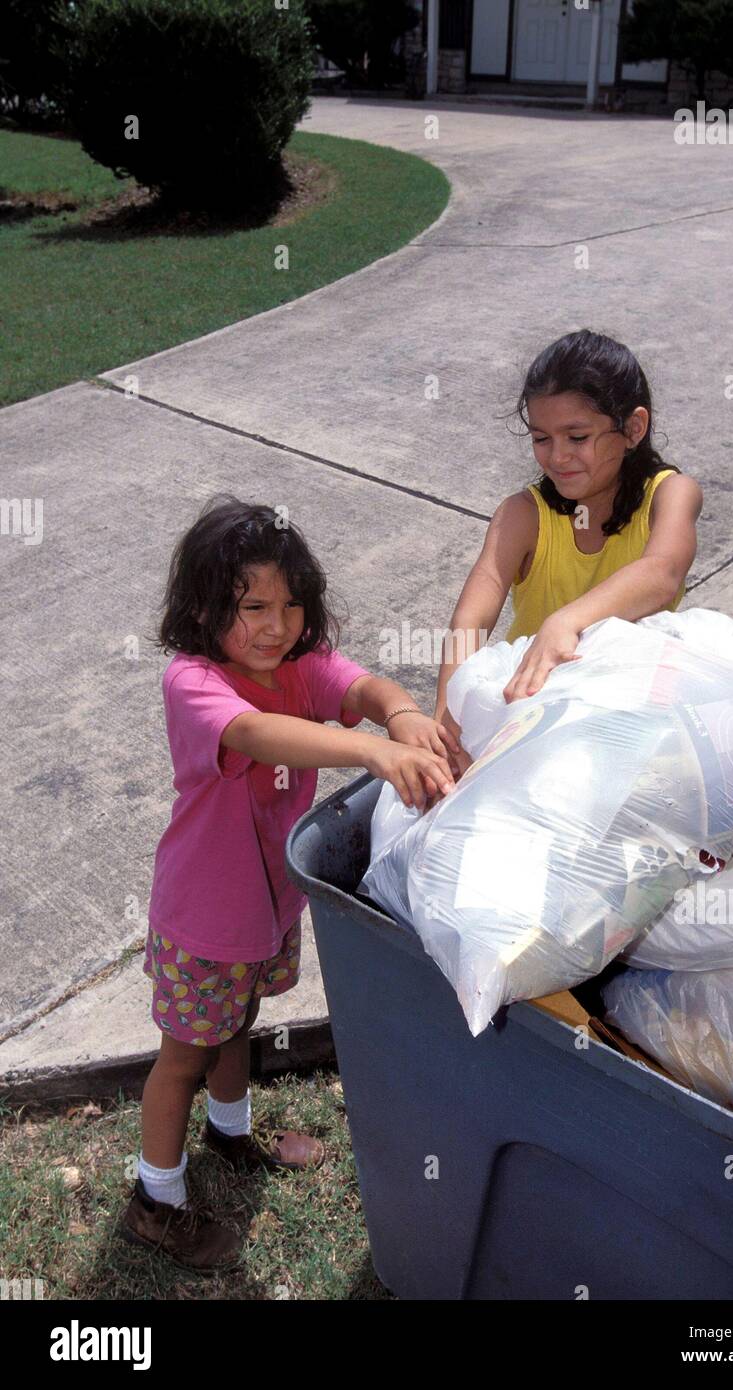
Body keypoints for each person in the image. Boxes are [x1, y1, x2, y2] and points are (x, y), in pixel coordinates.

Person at [121, 496, 456, 1273]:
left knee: (236, 1023)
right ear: (204, 609)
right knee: (182, 1055)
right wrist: (371, 754)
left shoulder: (300, 663)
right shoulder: (194, 682)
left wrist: (400, 715)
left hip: (269, 905)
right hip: (204, 917)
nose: (275, 625)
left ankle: (229, 1131)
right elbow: (258, 733)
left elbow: (359, 686)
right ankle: (155, 1199)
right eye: (252, 607)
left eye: (290, 604)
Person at [434, 329, 703, 744]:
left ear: (633, 428)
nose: (557, 457)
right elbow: (472, 619)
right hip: (531, 717)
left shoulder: (669, 495)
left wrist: (565, 622)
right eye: (542, 438)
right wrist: (449, 715)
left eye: (577, 438)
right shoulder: (523, 515)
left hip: (635, 713)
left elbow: (661, 572)